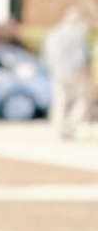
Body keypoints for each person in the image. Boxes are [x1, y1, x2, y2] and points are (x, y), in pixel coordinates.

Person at [42, 8, 90, 140]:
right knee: (81, 101)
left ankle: (59, 129)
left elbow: (46, 55)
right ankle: (70, 126)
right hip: (75, 73)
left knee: (60, 101)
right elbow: (82, 57)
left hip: (57, 72)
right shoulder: (77, 34)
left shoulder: (53, 33)